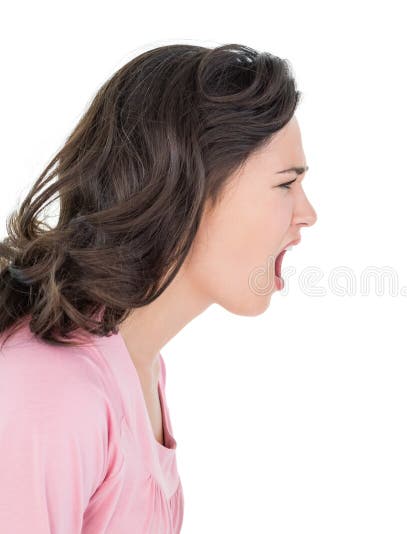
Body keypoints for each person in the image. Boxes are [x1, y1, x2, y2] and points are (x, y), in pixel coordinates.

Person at [0, 43, 316, 533]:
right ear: (188, 191)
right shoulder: (53, 390)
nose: (308, 213)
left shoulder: (140, 367)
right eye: (284, 184)